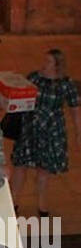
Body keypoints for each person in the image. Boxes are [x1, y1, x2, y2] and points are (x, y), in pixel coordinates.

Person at [8, 48, 81, 216]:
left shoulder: (65, 84)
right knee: (20, 165)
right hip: (29, 128)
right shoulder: (34, 77)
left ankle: (42, 203)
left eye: (48, 62)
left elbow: (75, 108)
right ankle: (14, 200)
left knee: (44, 170)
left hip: (50, 131)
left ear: (57, 65)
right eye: (45, 61)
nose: (44, 65)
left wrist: (78, 132)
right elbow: (20, 95)